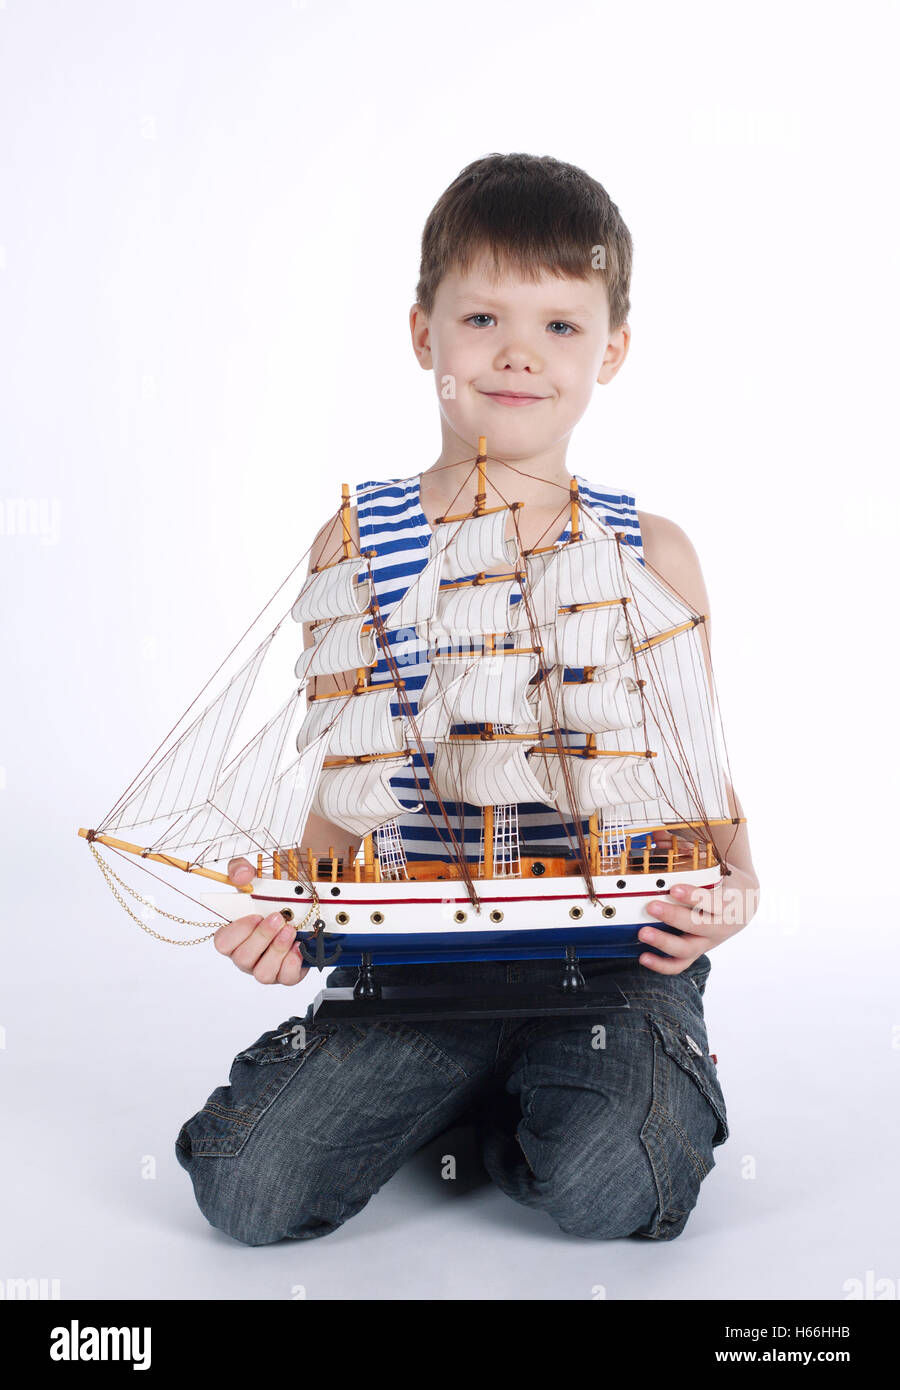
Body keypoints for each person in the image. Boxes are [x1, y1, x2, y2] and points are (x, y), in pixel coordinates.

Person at [175, 152, 759, 1246]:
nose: (518, 354)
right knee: (249, 1190)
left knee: (608, 1188)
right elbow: (351, 770)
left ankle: (553, 1094)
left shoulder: (647, 557)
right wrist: (301, 913)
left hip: (611, 969)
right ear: (423, 335)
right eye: (483, 315)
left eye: (560, 326)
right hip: (414, 966)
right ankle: (470, 1084)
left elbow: (700, 782)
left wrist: (741, 886)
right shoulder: (366, 545)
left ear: (612, 349)